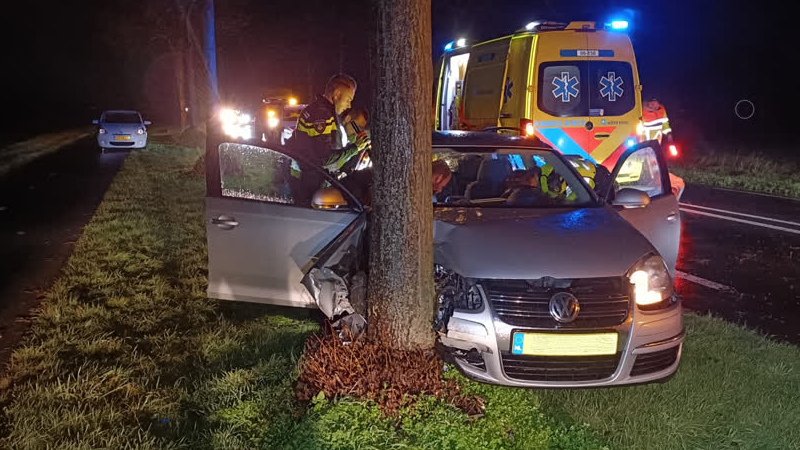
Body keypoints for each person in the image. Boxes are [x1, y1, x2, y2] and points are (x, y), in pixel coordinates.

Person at [287, 73, 367, 205]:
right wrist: (355, 147)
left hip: (307, 180)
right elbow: (324, 158)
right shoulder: (322, 115)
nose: (349, 105)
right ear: (336, 94)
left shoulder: (324, 111)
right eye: (348, 100)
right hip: (309, 184)